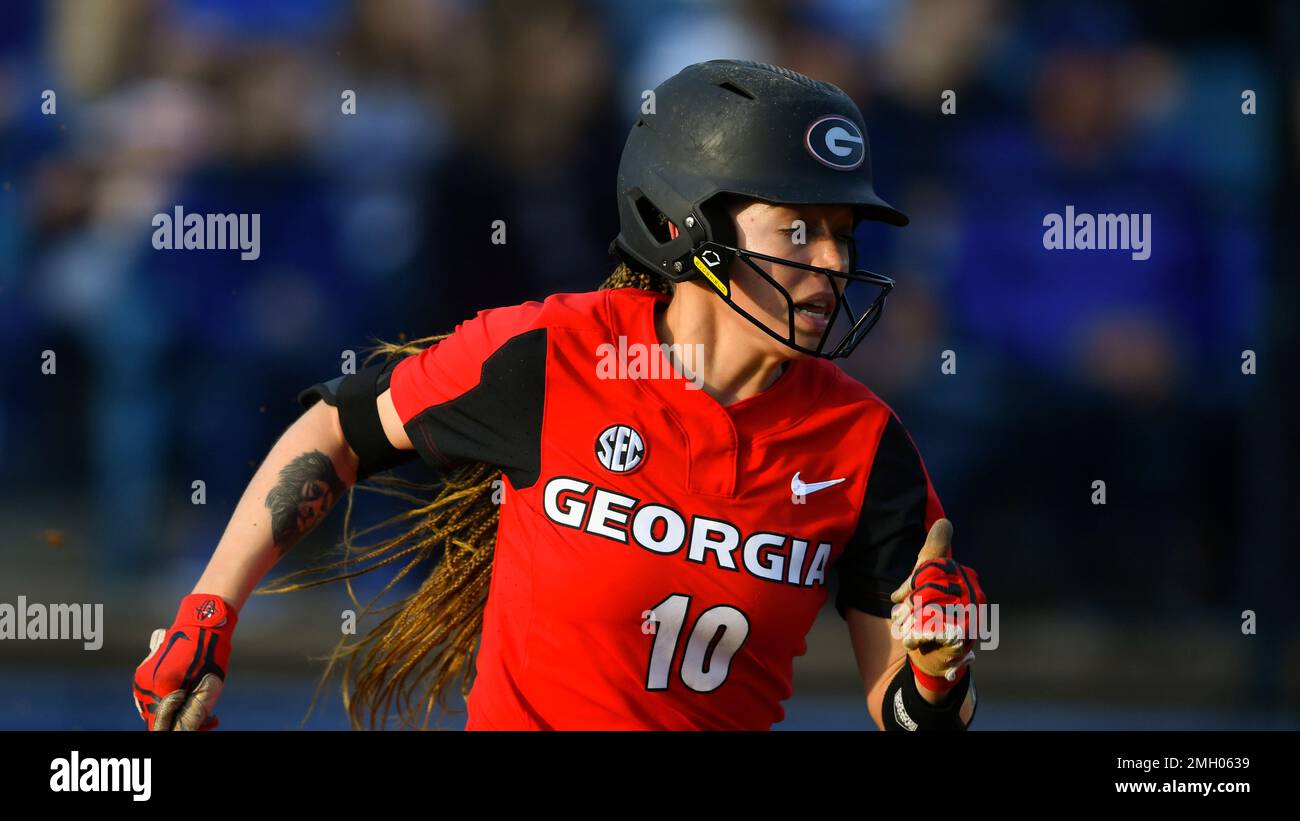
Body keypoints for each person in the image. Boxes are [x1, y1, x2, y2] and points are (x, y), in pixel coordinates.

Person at [133, 59, 985, 731]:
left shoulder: (867, 449)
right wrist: (208, 610)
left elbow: (908, 716)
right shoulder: (555, 356)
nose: (834, 264)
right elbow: (340, 428)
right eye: (800, 227)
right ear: (688, 222)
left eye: (844, 234)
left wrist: (938, 677)